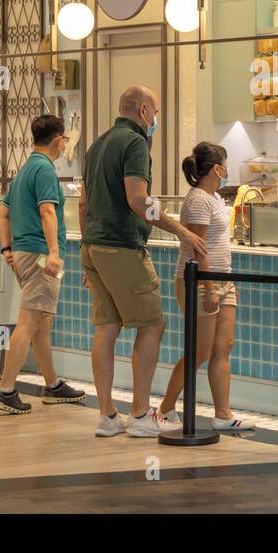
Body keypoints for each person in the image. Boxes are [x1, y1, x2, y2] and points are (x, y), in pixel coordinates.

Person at [80, 85, 207, 438]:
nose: (156, 121)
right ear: (143, 111)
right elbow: (139, 200)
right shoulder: (135, 144)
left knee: (107, 328)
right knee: (153, 325)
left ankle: (107, 415)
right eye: (156, 113)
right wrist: (179, 229)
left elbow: (82, 203)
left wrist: (87, 245)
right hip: (122, 245)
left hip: (93, 246)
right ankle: (139, 415)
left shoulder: (96, 145)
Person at [0, 114, 85, 413]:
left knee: (42, 323)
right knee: (29, 323)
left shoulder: (24, 170)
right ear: (58, 139)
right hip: (40, 254)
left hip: (23, 253)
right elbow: (47, 212)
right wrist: (54, 252)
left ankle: (52, 384)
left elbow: (2, 213)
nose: (64, 145)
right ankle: (5, 390)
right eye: (65, 140)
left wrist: (7, 248)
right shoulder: (44, 169)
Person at [158, 142, 255, 431]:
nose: (227, 168)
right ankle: (164, 408)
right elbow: (198, 248)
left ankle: (223, 414)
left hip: (221, 279)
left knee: (223, 347)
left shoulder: (213, 199)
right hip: (200, 281)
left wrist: (227, 282)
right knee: (199, 350)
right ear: (217, 168)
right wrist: (210, 287)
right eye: (224, 163)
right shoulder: (199, 199)